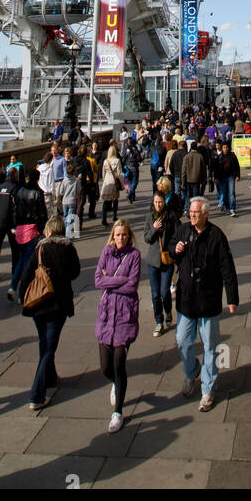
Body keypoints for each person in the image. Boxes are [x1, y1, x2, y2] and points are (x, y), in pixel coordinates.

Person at [169, 197, 238, 413]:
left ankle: (208, 389)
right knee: (182, 340)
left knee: (210, 346)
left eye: (196, 212)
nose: (192, 215)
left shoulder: (216, 235)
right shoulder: (182, 231)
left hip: (208, 299)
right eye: (190, 211)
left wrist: (232, 298)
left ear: (205, 214)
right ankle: (192, 371)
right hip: (186, 299)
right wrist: (175, 249)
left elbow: (227, 267)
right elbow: (170, 248)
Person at [18, 215, 80, 411]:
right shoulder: (68, 248)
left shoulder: (41, 247)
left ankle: (50, 377)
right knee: (48, 348)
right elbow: (75, 272)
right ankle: (36, 395)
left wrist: (23, 297)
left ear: (48, 230)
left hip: (39, 304)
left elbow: (27, 273)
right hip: (58, 305)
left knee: (44, 343)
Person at [94, 219, 141, 433]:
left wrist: (110, 280)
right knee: (105, 367)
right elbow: (97, 280)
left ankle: (118, 412)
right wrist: (119, 280)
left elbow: (133, 285)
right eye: (117, 234)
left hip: (123, 315)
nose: (120, 238)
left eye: (123, 234)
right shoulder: (106, 252)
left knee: (119, 363)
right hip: (106, 316)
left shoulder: (134, 255)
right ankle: (116, 383)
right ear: (112, 236)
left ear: (129, 235)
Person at [8, 169, 47, 301]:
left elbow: (15, 210)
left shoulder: (20, 191)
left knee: (22, 258)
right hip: (32, 229)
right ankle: (23, 292)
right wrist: (43, 230)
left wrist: (14, 226)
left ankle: (13, 286)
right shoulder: (37, 193)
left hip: (20, 230)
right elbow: (42, 213)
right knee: (29, 262)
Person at [143, 192, 178, 335]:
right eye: (156, 202)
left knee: (164, 291)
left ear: (164, 202)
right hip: (153, 260)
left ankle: (168, 311)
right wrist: (154, 229)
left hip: (167, 259)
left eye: (160, 202)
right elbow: (146, 238)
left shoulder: (171, 216)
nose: (158, 204)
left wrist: (174, 250)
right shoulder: (150, 217)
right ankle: (159, 321)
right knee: (155, 293)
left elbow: (177, 235)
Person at [0, 167, 19, 282]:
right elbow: (15, 208)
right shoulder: (15, 188)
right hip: (10, 223)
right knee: (14, 249)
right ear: (15, 176)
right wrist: (15, 224)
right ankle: (15, 270)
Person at [100, 142, 125, 229]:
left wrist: (104, 181)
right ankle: (114, 216)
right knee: (115, 199)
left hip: (107, 180)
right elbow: (119, 173)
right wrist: (122, 182)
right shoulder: (117, 160)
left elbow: (103, 173)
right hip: (114, 181)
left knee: (106, 201)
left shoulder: (105, 161)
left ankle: (104, 219)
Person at [216, 143, 241, 217]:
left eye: (226, 147)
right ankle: (227, 207)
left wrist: (237, 175)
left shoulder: (232, 155)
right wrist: (216, 178)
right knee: (224, 193)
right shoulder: (220, 157)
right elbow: (216, 168)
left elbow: (237, 166)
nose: (225, 149)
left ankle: (232, 208)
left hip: (231, 177)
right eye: (224, 147)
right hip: (222, 177)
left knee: (231, 193)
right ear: (222, 148)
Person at [181, 141, 205, 206]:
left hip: (188, 179)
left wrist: (183, 182)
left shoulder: (186, 157)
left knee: (189, 196)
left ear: (190, 147)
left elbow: (183, 171)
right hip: (197, 179)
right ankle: (195, 209)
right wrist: (203, 179)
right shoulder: (200, 156)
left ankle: (189, 210)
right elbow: (203, 169)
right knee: (196, 197)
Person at [62, 163, 79, 238]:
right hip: (72, 200)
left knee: (65, 216)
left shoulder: (64, 180)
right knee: (70, 217)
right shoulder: (76, 180)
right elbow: (78, 190)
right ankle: (68, 233)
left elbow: (61, 192)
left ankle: (66, 231)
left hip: (65, 201)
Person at [121, 139, 140, 204]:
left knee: (130, 181)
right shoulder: (135, 148)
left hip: (127, 167)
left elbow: (123, 157)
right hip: (134, 166)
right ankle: (130, 194)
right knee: (135, 182)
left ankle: (132, 197)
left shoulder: (125, 148)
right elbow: (139, 158)